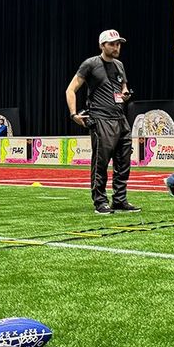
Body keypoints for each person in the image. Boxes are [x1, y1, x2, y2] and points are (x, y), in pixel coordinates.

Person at [65, 29, 139, 215]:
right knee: (101, 162)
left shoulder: (119, 65)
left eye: (118, 44)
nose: (116, 47)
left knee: (123, 162)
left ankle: (120, 200)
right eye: (112, 44)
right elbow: (71, 89)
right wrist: (74, 114)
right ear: (102, 45)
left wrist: (125, 94)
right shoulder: (90, 64)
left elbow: (123, 88)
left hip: (120, 118)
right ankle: (100, 201)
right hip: (100, 119)